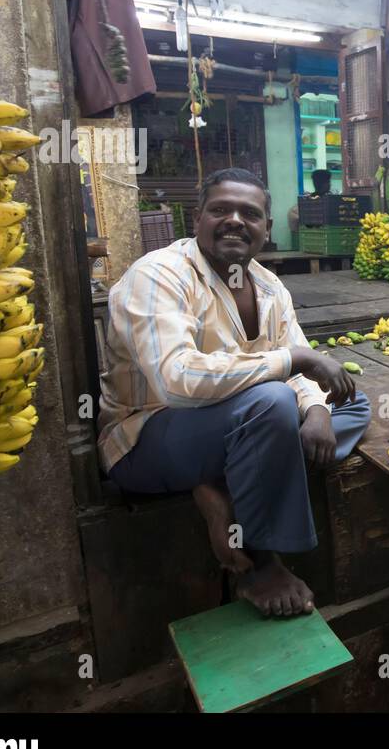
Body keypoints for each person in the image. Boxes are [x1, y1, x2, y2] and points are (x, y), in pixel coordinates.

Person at [97, 168, 372, 617]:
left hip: (236, 428)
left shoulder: (267, 285)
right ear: (198, 220)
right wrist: (294, 364)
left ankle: (217, 486)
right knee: (272, 402)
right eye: (220, 210)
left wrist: (318, 411)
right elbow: (177, 379)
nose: (234, 221)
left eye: (250, 213)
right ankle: (261, 561)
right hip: (149, 437)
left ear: (266, 227)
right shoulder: (159, 275)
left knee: (348, 400)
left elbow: (299, 357)